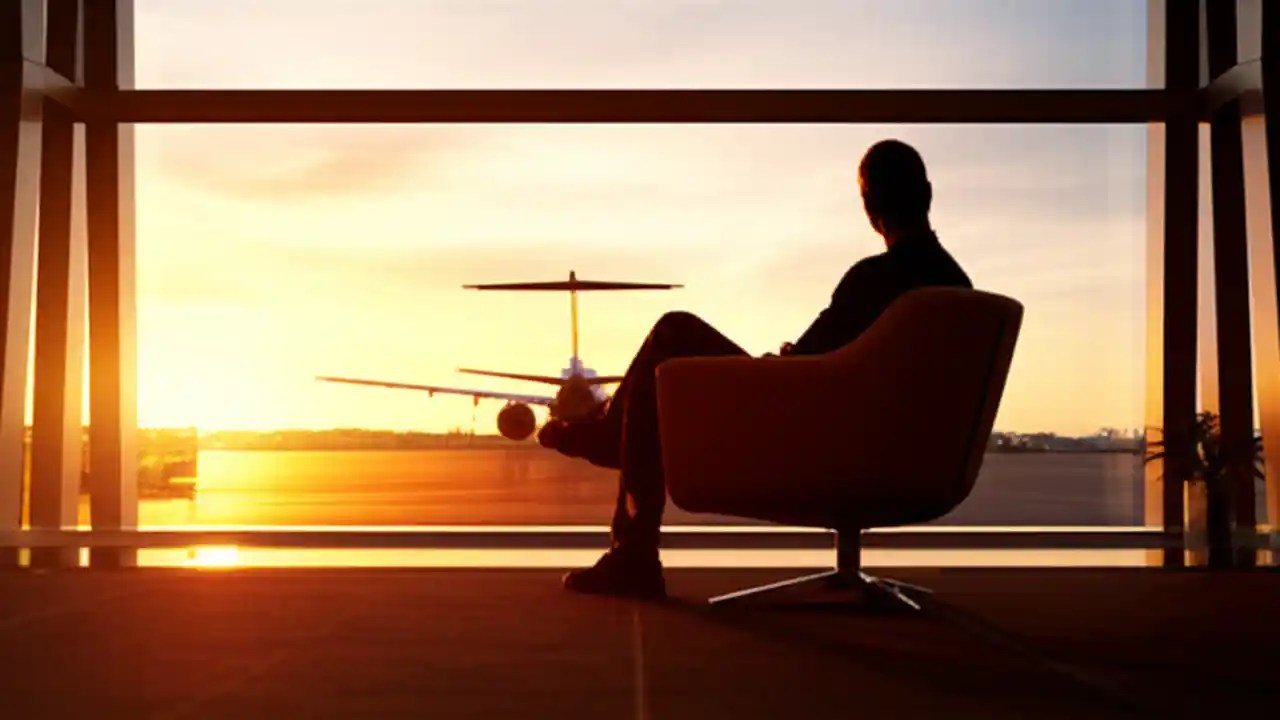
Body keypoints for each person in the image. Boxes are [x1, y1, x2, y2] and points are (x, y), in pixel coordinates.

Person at [538, 139, 972, 599]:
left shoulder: (874, 280)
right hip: (904, 461)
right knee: (668, 364)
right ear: (927, 194)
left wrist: (780, 362)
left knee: (673, 333)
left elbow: (808, 369)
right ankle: (612, 436)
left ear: (869, 208)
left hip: (816, 446)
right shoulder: (959, 291)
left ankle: (628, 526)